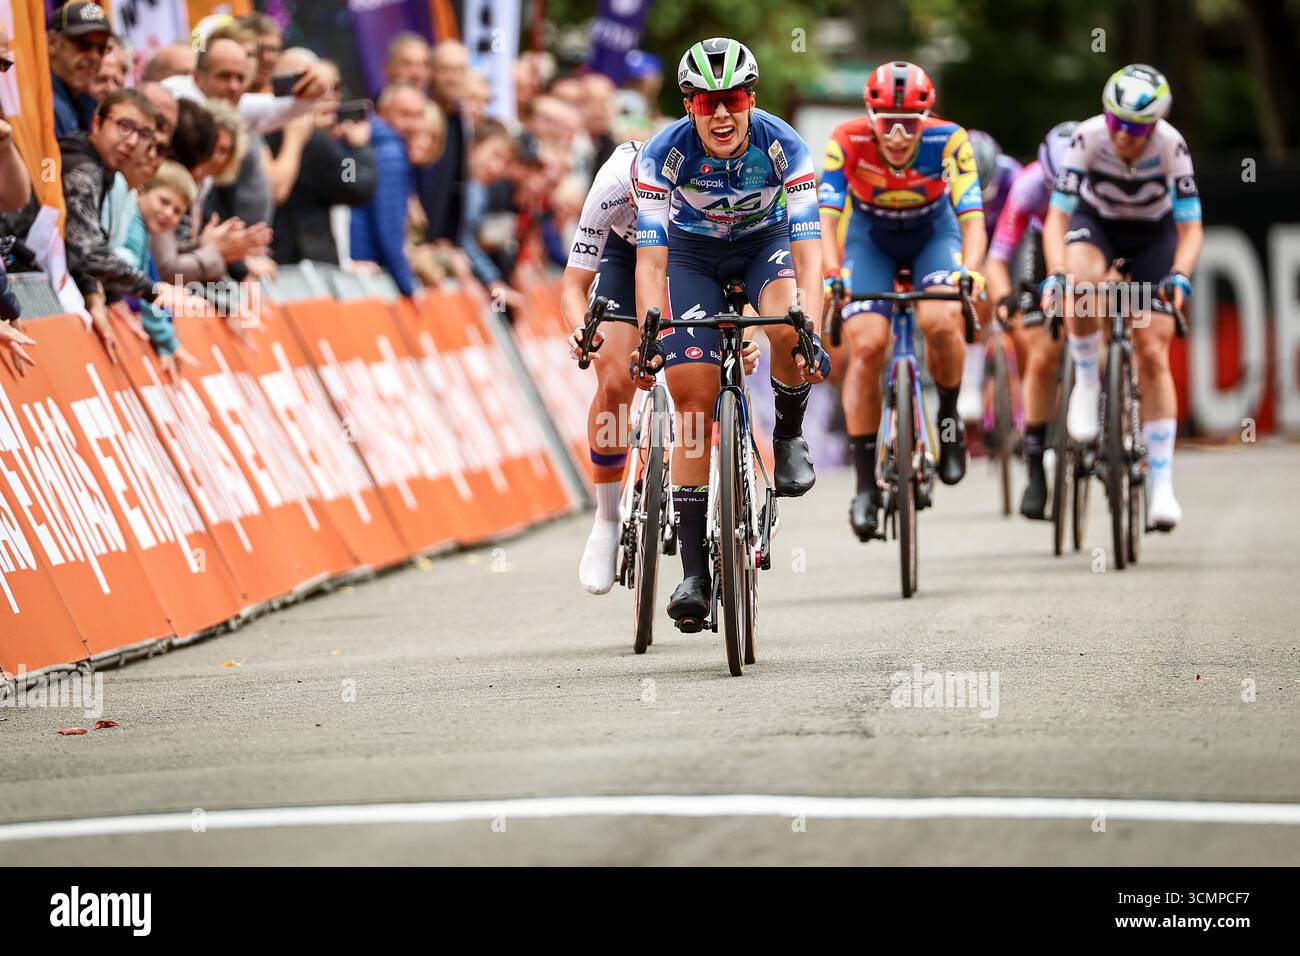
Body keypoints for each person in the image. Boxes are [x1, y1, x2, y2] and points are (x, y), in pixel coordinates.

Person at [635, 38, 829, 626]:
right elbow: (650, 261)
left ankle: (790, 435)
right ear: (689, 106)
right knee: (692, 395)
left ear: (752, 99)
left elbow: (809, 252)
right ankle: (694, 571)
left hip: (762, 247)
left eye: (735, 99)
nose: (721, 114)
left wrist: (810, 321)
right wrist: (650, 329)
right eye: (706, 103)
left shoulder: (785, 147)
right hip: (691, 257)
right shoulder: (661, 157)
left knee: (788, 333)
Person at [820, 61, 986, 542]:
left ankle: (948, 415)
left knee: (939, 319)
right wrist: (833, 273)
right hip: (869, 239)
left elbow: (972, 216)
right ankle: (863, 486)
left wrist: (969, 271)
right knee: (867, 346)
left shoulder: (949, 139)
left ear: (926, 118)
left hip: (933, 234)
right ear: (869, 115)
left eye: (909, 124)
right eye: (885, 122)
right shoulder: (846, 139)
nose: (896, 135)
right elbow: (828, 217)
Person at [1040, 64, 1203, 531]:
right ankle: (1088, 382)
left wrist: (1179, 274)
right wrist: (1056, 273)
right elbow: (1056, 220)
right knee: (1082, 283)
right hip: (1100, 224)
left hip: (1155, 234)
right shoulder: (1088, 138)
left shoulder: (1172, 146)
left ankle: (1161, 486)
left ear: (1154, 124)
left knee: (1154, 350)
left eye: (1135, 127)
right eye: (1115, 121)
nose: (1123, 135)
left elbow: (1190, 228)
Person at [985, 121, 1077, 519]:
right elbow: (997, 259)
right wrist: (1006, 298)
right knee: (1039, 353)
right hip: (1041, 246)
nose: (1063, 197)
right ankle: (1036, 468)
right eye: (1056, 190)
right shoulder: (1028, 184)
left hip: (1095, 240)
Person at [61, 88, 196, 359]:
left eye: (144, 134)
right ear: (97, 123)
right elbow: (88, 253)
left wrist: (94, 298)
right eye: (124, 127)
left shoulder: (105, 173)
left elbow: (83, 247)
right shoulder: (83, 168)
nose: (133, 142)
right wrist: (152, 290)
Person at [268, 60, 377, 266]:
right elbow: (354, 185)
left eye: (334, 88)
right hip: (301, 261)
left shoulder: (301, 134)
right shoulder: (313, 140)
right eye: (318, 89)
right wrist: (357, 150)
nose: (330, 97)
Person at [957, 129, 1023, 423]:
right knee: (973, 291)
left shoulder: (1013, 176)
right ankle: (971, 376)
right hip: (970, 238)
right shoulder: (947, 181)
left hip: (1011, 240)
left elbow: (1024, 227)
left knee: (1019, 312)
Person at [122, 161, 201, 378]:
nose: (168, 213)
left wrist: (166, 341)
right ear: (142, 191)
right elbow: (144, 292)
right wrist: (168, 340)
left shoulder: (144, 232)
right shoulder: (134, 230)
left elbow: (151, 285)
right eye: (164, 201)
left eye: (177, 211)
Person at [350, 84, 428, 296]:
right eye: (404, 115)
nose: (413, 124)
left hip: (357, 262)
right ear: (383, 112)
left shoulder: (369, 141)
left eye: (418, 115)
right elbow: (389, 226)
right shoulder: (391, 151)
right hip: (366, 268)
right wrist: (408, 285)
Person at [49, 1, 113, 138]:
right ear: (53, 42)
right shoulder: (44, 102)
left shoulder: (87, 102)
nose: (94, 57)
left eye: (101, 49)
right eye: (83, 44)